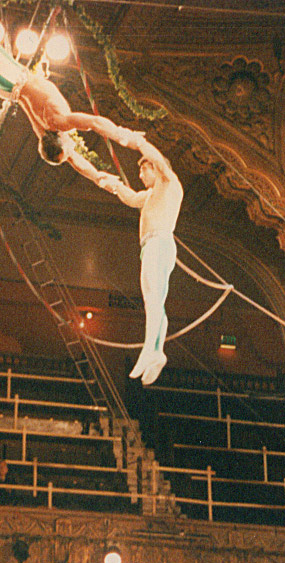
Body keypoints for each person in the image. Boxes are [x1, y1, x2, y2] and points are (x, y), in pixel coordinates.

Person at [0, 21, 138, 187]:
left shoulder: (60, 123)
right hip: (4, 91)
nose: (72, 153)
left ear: (62, 141)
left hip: (13, 77)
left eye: (68, 152)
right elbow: (77, 163)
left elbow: (95, 123)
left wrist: (123, 134)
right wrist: (99, 178)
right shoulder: (45, 134)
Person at [97, 134, 183, 386]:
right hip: (151, 247)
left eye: (144, 171)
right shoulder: (148, 196)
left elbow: (157, 158)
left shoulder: (169, 183)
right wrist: (107, 182)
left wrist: (137, 142)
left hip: (159, 243)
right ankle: (157, 351)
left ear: (155, 169)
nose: (141, 176)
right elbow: (129, 197)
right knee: (156, 300)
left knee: (153, 299)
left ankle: (150, 348)